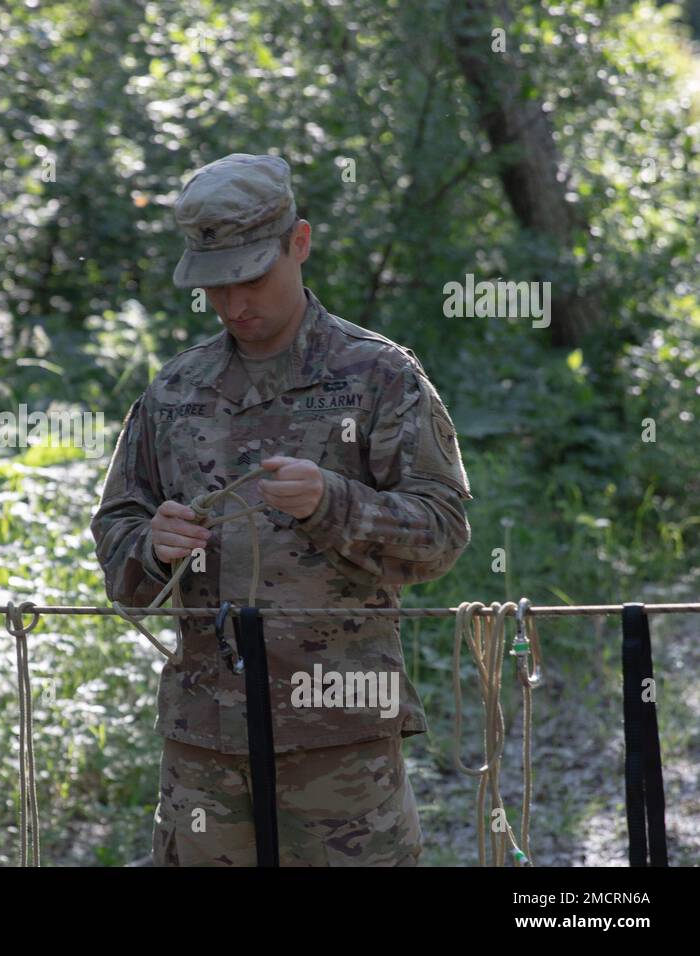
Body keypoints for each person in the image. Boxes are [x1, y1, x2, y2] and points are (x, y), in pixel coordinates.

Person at [91, 153, 473, 866]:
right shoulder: (174, 391)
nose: (234, 303)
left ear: (300, 243)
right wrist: (152, 545)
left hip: (340, 738)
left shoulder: (380, 377)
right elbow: (118, 537)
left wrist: (334, 504)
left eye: (251, 278)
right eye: (215, 285)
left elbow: (443, 533)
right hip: (207, 741)